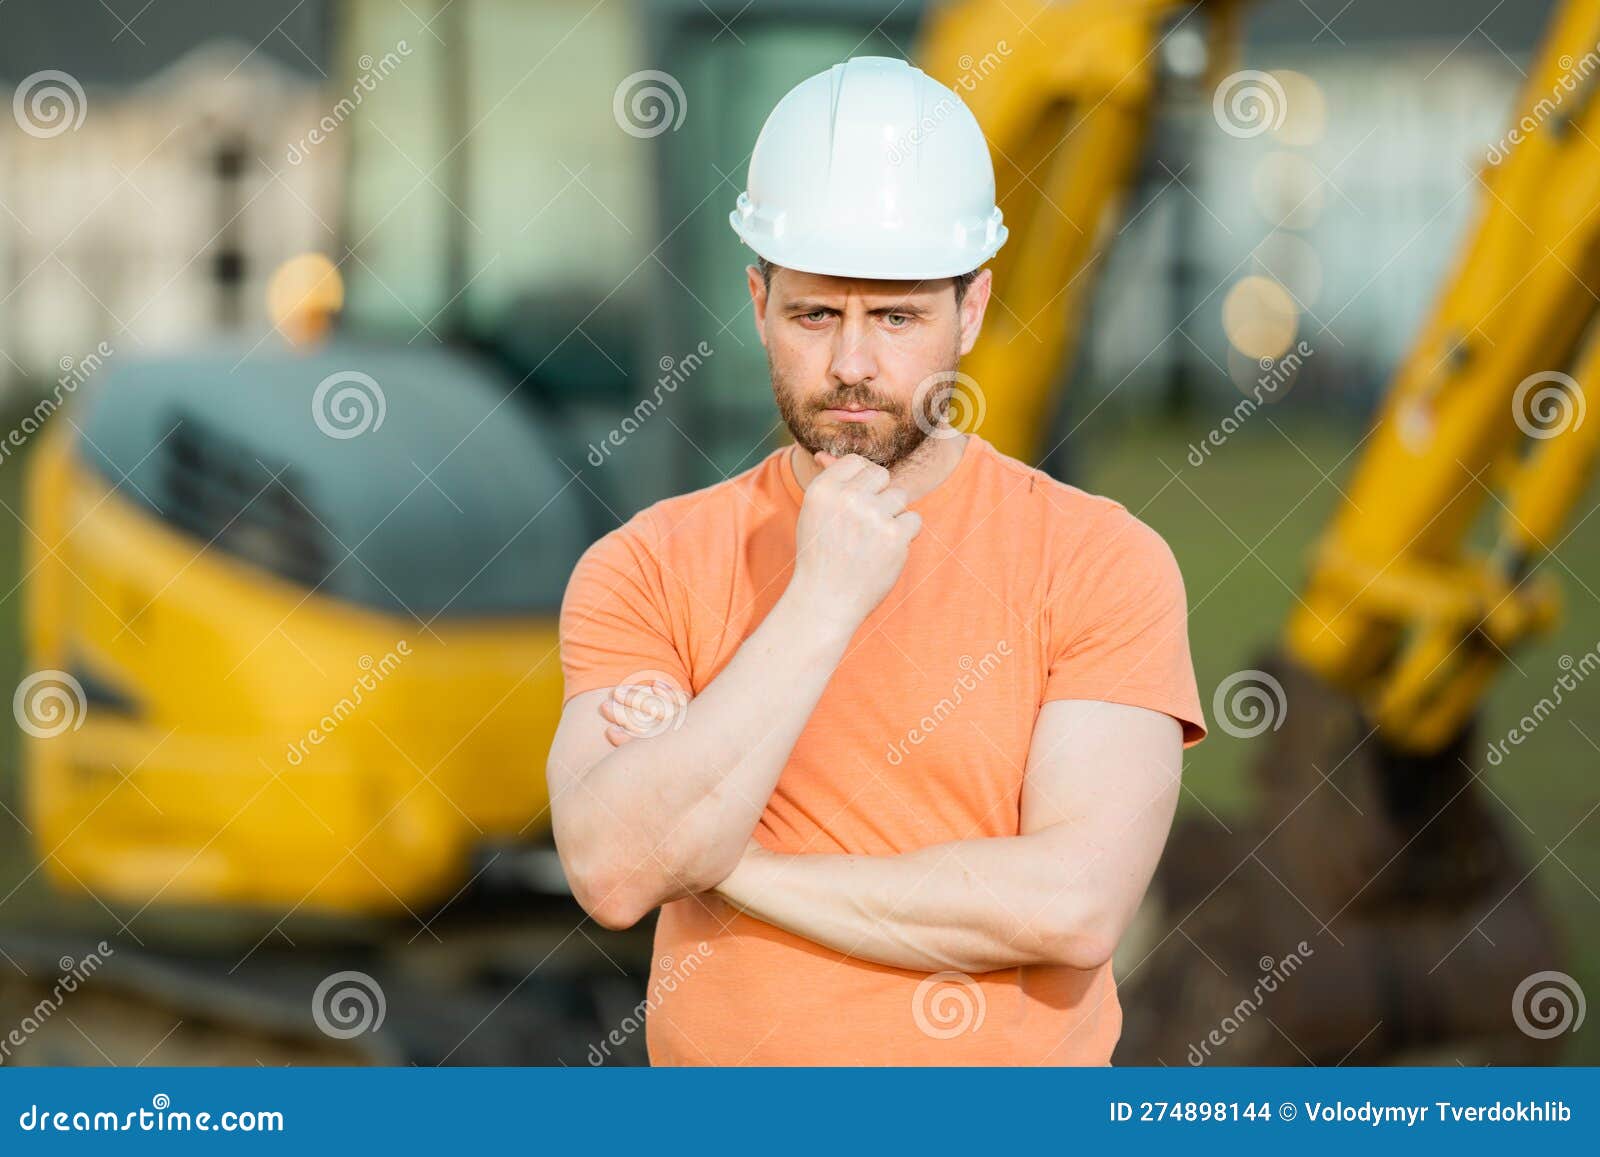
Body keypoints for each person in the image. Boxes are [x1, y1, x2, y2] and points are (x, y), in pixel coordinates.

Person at [549, 56, 1207, 1065]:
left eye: (896, 317)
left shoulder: (1100, 560)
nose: (852, 364)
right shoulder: (646, 566)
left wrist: (724, 856)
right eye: (815, 314)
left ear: (971, 310)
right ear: (758, 300)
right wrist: (821, 602)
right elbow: (613, 869)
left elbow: (1072, 904)